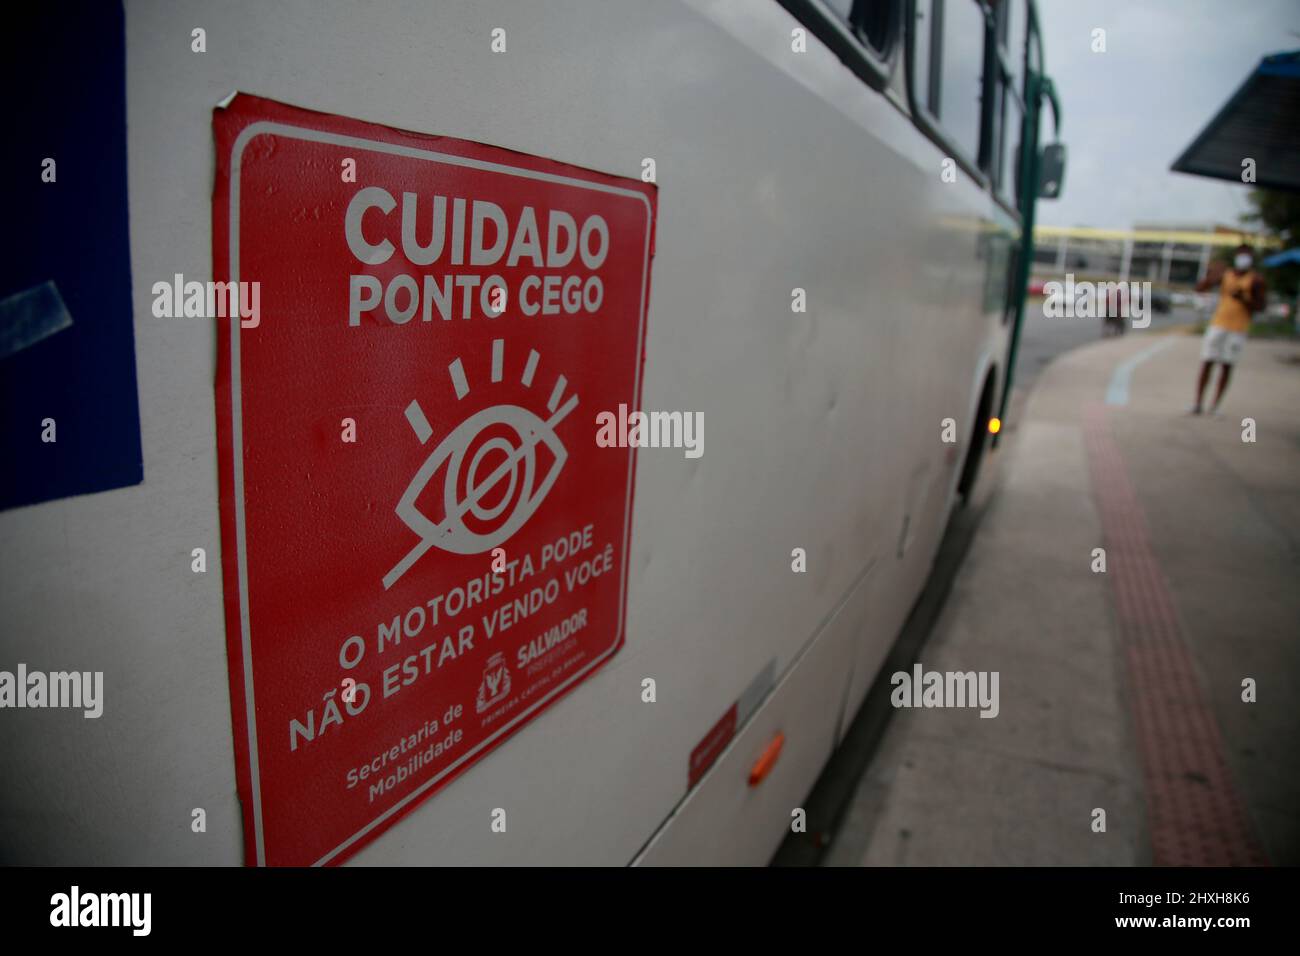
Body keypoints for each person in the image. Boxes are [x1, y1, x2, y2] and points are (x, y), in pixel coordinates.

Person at [1190, 243, 1265, 415]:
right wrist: (1212, 275)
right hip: (1218, 324)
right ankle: (1198, 403)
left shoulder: (1256, 280)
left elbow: (1261, 306)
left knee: (1227, 365)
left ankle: (1215, 406)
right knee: (1207, 361)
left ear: (1251, 258)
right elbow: (1200, 288)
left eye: (1246, 255)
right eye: (1241, 254)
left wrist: (1244, 299)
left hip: (1238, 328)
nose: (1243, 258)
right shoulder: (1226, 275)